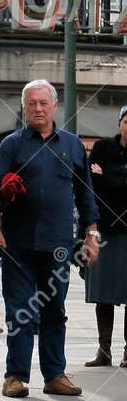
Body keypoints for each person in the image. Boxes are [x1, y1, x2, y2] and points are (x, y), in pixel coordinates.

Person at [0, 80, 99, 398]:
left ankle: (55, 375)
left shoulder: (73, 145)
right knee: (19, 310)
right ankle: (16, 376)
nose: (37, 108)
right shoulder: (11, 145)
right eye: (32, 103)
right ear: (24, 107)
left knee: (54, 310)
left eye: (43, 103)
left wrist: (91, 235)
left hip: (58, 244)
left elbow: (85, 192)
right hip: (17, 243)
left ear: (54, 106)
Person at [83, 106, 127, 366]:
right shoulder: (102, 147)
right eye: (126, 120)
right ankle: (105, 351)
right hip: (105, 229)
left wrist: (109, 175)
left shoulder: (104, 158)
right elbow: (91, 182)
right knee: (103, 294)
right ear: (119, 123)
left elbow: (103, 180)